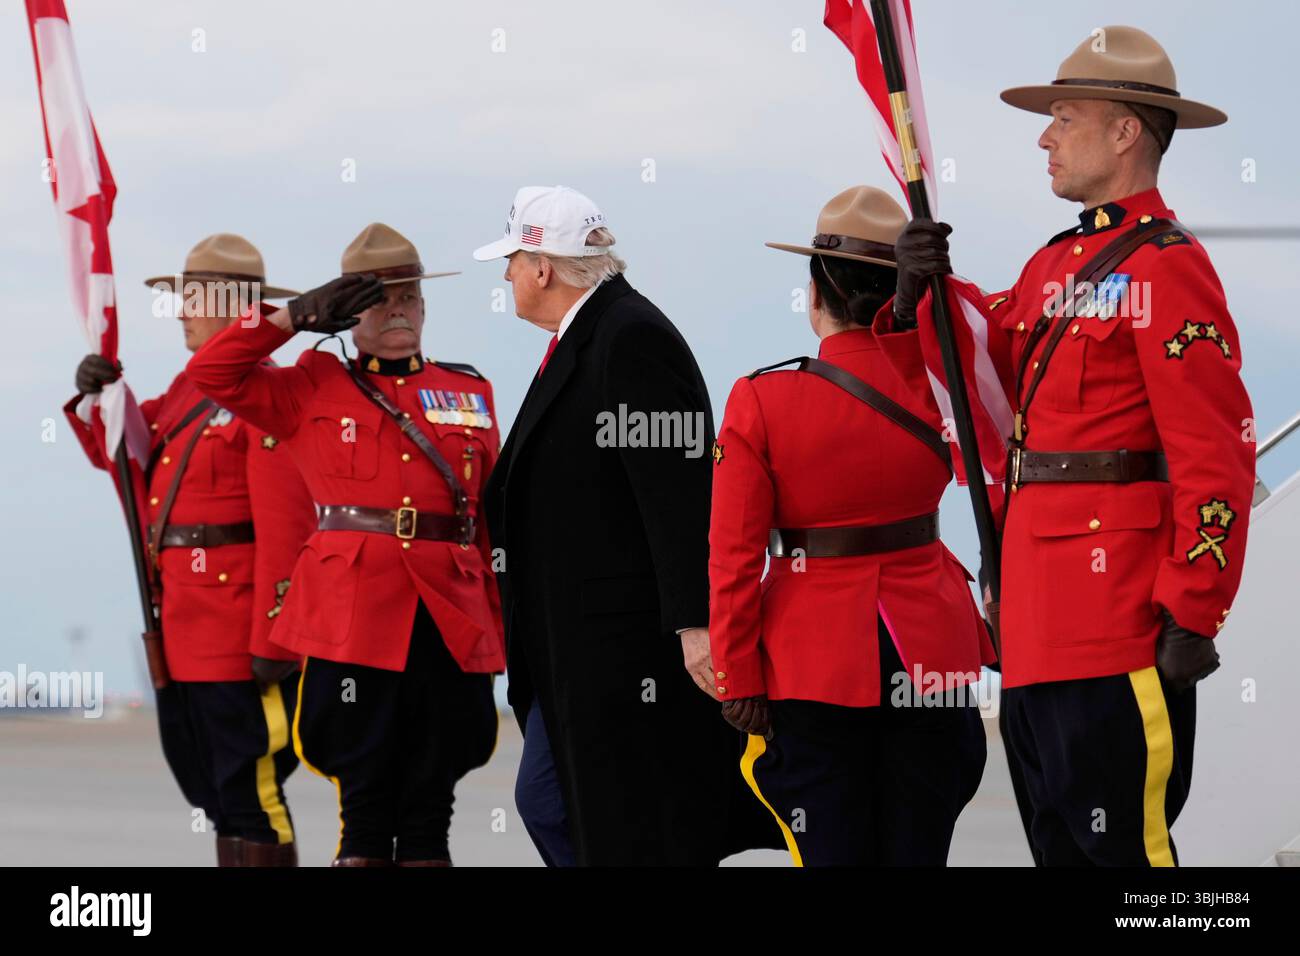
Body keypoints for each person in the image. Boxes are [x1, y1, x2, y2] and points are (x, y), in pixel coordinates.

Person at [883, 26, 1255, 865]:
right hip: (1034, 622)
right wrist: (920, 293)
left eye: (1065, 117)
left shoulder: (1167, 268)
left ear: (1126, 131)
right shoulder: (1055, 265)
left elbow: (1216, 453)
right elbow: (992, 362)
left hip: (1119, 619)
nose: (1044, 137)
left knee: (1129, 860)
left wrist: (1195, 603)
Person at [186, 223, 503, 866]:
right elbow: (212, 371)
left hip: (448, 616)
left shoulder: (468, 390)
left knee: (430, 809)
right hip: (354, 617)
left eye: (409, 296)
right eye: (379, 298)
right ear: (349, 311)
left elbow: (490, 518)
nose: (397, 310)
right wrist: (294, 316)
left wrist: (504, 621)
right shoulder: (311, 385)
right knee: (362, 811)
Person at [474, 185, 772, 865]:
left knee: (631, 825)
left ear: (542, 266)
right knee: (556, 806)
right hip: (575, 652)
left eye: (512, 263)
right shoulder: (587, 335)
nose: (507, 278)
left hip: (627, 654)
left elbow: (679, 491)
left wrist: (697, 623)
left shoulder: (628, 336)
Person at [707, 186, 994, 866]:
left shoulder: (763, 397)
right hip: (931, 648)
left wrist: (736, 675)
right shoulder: (938, 380)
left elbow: (733, 555)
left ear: (815, 291)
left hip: (813, 661)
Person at [67, 233, 314, 866]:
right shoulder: (186, 391)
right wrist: (101, 396)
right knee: (213, 791)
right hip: (183, 631)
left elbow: (287, 532)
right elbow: (123, 457)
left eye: (192, 298)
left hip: (239, 636)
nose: (180, 311)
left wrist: (274, 642)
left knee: (252, 793)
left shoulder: (264, 393)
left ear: (237, 307)